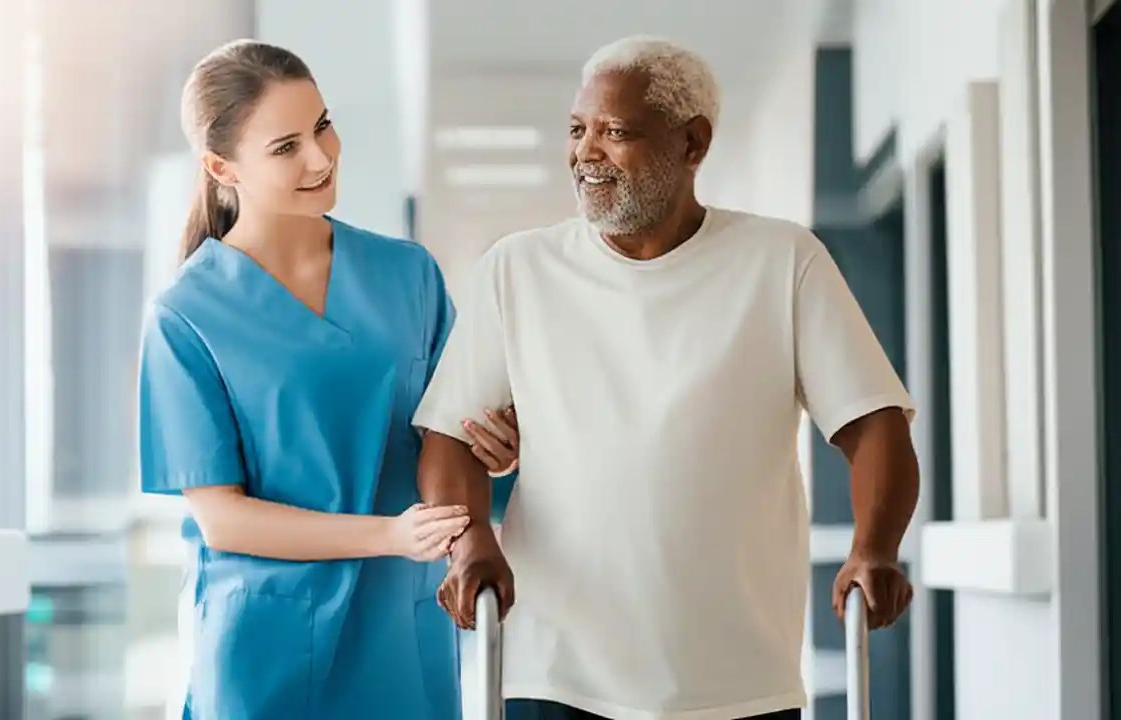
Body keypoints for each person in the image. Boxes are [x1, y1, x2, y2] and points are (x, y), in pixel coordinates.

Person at [413, 35, 920, 720]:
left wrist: (876, 549)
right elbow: (449, 437)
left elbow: (875, 425)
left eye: (615, 131)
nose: (585, 152)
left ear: (693, 143)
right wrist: (471, 540)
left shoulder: (782, 261)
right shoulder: (517, 269)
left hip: (735, 677)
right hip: (556, 665)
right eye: (576, 129)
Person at [136, 40, 520, 720]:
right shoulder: (186, 316)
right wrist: (390, 537)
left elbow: (449, 433)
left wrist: (496, 446)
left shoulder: (408, 275)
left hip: (398, 634)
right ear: (222, 166)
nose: (321, 157)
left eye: (322, 126)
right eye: (285, 147)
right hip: (265, 642)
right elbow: (221, 518)